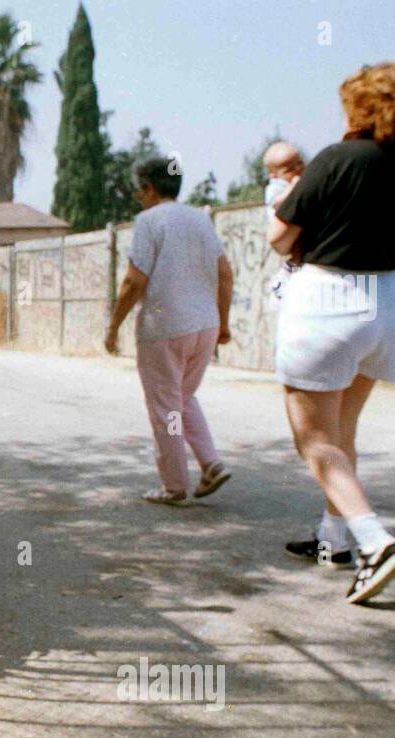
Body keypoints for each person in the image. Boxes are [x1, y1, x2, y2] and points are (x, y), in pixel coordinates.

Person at [268, 62, 395, 603]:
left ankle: (375, 542)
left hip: (328, 301)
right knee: (343, 430)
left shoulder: (337, 158)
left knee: (314, 439)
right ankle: (333, 538)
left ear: (362, 107)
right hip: (389, 303)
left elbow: (278, 237)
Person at [105, 155, 234, 506]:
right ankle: (211, 464)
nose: (139, 197)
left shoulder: (149, 220)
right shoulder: (201, 219)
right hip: (204, 326)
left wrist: (113, 325)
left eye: (139, 191)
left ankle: (174, 486)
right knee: (181, 397)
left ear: (148, 188)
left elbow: (134, 281)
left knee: (166, 408)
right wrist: (223, 322)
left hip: (164, 329)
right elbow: (225, 274)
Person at [262, 141, 305, 303]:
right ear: (274, 175)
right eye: (290, 169)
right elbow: (276, 203)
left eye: (300, 163)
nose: (298, 170)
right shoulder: (275, 187)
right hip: (283, 225)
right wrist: (293, 188)